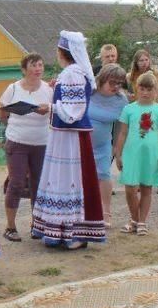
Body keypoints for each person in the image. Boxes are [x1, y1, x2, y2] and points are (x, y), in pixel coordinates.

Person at [31, 31, 106, 249]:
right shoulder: (72, 73)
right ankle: (64, 231)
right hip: (64, 135)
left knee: (69, 180)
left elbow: (73, 111)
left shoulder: (72, 74)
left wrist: (50, 106)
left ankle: (74, 233)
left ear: (63, 52)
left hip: (70, 137)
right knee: (64, 181)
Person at [0, 53, 52, 241]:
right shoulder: (12, 88)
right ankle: (10, 227)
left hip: (42, 143)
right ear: (24, 69)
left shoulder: (49, 90)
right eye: (33, 65)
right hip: (17, 141)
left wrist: (47, 110)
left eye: (40, 65)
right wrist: (14, 126)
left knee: (39, 184)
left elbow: (55, 113)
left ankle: (37, 225)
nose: (38, 68)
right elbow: (2, 113)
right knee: (17, 182)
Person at [114, 72, 158, 235]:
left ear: (156, 90)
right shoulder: (128, 109)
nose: (145, 92)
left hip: (152, 156)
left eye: (149, 89)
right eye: (142, 88)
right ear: (137, 89)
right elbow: (122, 133)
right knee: (130, 189)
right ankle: (134, 219)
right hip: (131, 154)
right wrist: (118, 154)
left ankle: (141, 222)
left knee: (146, 188)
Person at [88, 63, 128, 228]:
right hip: (80, 144)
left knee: (104, 175)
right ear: (102, 79)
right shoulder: (89, 91)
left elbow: (120, 127)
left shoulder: (121, 100)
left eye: (120, 83)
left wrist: (116, 149)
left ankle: (106, 214)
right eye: (113, 82)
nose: (117, 87)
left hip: (103, 144)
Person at [127, 49, 158, 194]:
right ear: (136, 62)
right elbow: (127, 92)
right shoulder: (131, 76)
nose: (144, 63)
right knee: (141, 144)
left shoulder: (157, 73)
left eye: (146, 59)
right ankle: (142, 179)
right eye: (141, 60)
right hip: (140, 111)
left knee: (156, 144)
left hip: (155, 109)